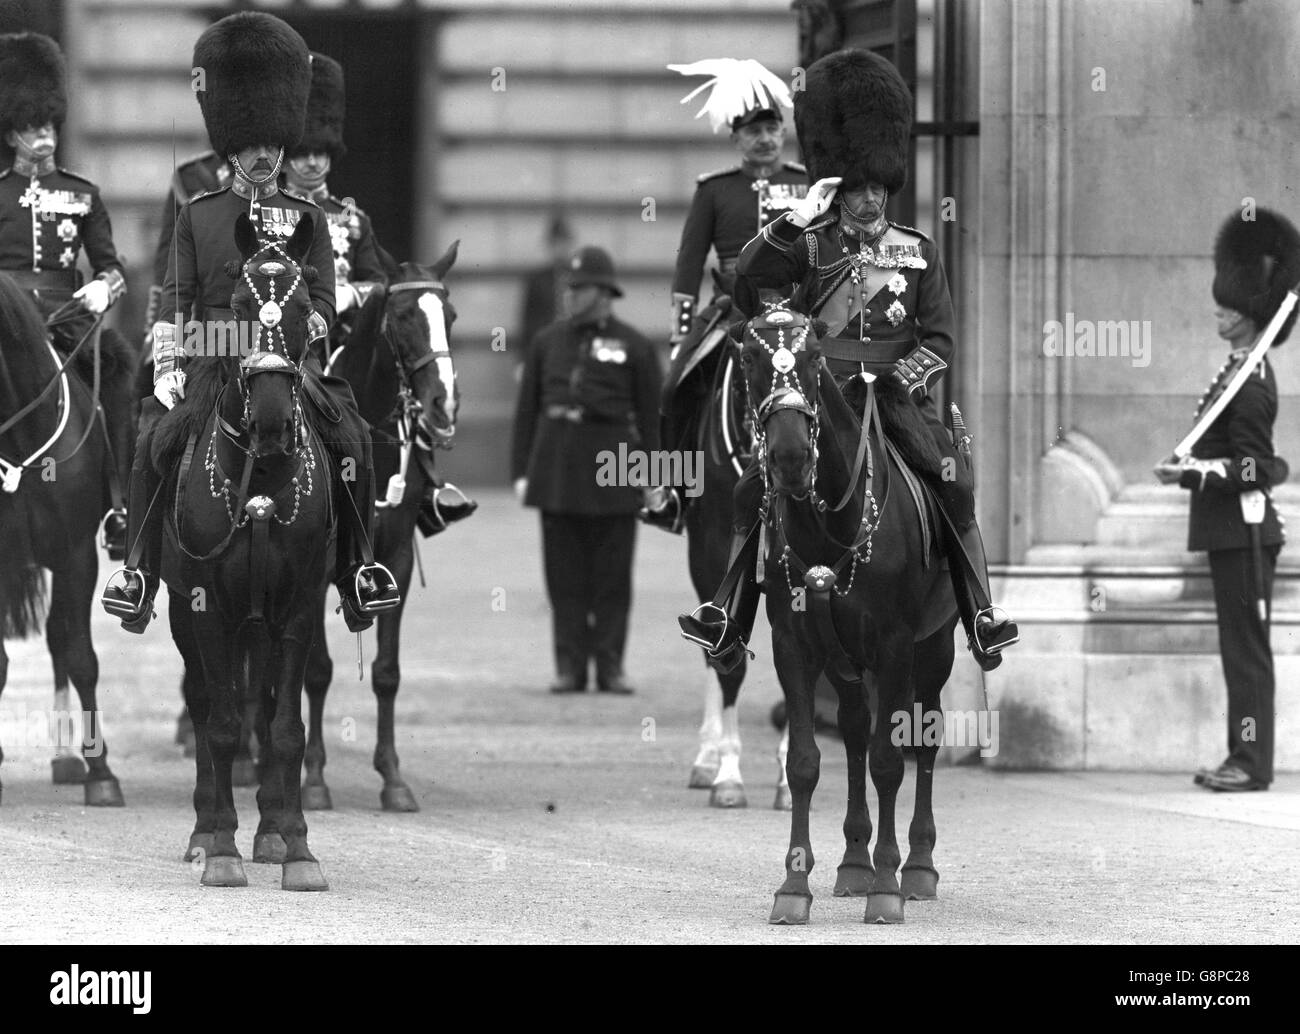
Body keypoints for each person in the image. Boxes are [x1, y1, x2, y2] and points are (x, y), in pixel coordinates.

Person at [679, 48, 1018, 673]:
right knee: (754, 486)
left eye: (877, 187)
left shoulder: (917, 251)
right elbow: (751, 290)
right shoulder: (809, 240)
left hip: (893, 399)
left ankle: (980, 615)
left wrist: (893, 381)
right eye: (857, 188)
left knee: (951, 481)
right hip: (820, 395)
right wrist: (790, 224)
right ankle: (728, 615)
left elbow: (939, 340)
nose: (867, 200)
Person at [100, 10, 400, 634]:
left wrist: (302, 334)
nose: (264, 156)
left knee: (354, 437)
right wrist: (170, 369)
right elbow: (177, 305)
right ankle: (139, 574)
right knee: (153, 437)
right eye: (252, 145)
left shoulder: (308, 218)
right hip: (214, 361)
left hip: (291, 365)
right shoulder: (198, 214)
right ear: (232, 145)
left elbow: (323, 298)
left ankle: (356, 571)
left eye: (273, 145)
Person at [281, 50, 473, 535]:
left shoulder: (352, 217)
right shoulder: (266, 210)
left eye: (322, 153)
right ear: (288, 155)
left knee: (405, 387)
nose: (314, 162)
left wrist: (349, 294)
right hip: (285, 331)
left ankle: (426, 488)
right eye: (304, 153)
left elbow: (379, 278)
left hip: (346, 328)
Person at [1154, 208, 1298, 793]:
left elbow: (1256, 467)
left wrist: (1191, 477)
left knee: (1246, 654)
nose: (1217, 311)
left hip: (1244, 531)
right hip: (1229, 533)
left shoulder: (1254, 381)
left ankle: (1251, 762)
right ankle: (1243, 755)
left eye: (1227, 307)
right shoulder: (1236, 370)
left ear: (1246, 318)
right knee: (1237, 649)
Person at [643, 58, 807, 533]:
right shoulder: (714, 190)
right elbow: (688, 265)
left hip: (795, 310)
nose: (765, 138)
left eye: (772, 128)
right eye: (753, 131)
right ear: (736, 138)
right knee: (675, 386)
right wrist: (681, 335)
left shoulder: (803, 183)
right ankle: (674, 492)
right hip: (731, 310)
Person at [0, 31, 130, 554]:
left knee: (119, 376)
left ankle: (119, 505)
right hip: (5, 320)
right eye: (33, 129)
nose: (45, 138)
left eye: (50, 126)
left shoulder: (83, 194)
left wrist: (103, 288)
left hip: (67, 319)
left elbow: (112, 266)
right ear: (12, 135)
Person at [512, 246, 663, 694]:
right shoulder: (546, 342)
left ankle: (611, 666)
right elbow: (527, 413)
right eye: (569, 288)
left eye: (579, 289)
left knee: (612, 578)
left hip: (614, 465)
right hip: (556, 464)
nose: (569, 296)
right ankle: (570, 667)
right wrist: (521, 471)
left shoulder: (635, 344)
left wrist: (655, 476)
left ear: (603, 293)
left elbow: (651, 418)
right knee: (563, 578)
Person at [516, 213, 573, 373]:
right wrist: (523, 359)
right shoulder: (536, 279)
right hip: (547, 351)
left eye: (563, 243)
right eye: (555, 243)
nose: (559, 248)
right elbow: (527, 321)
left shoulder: (579, 277)